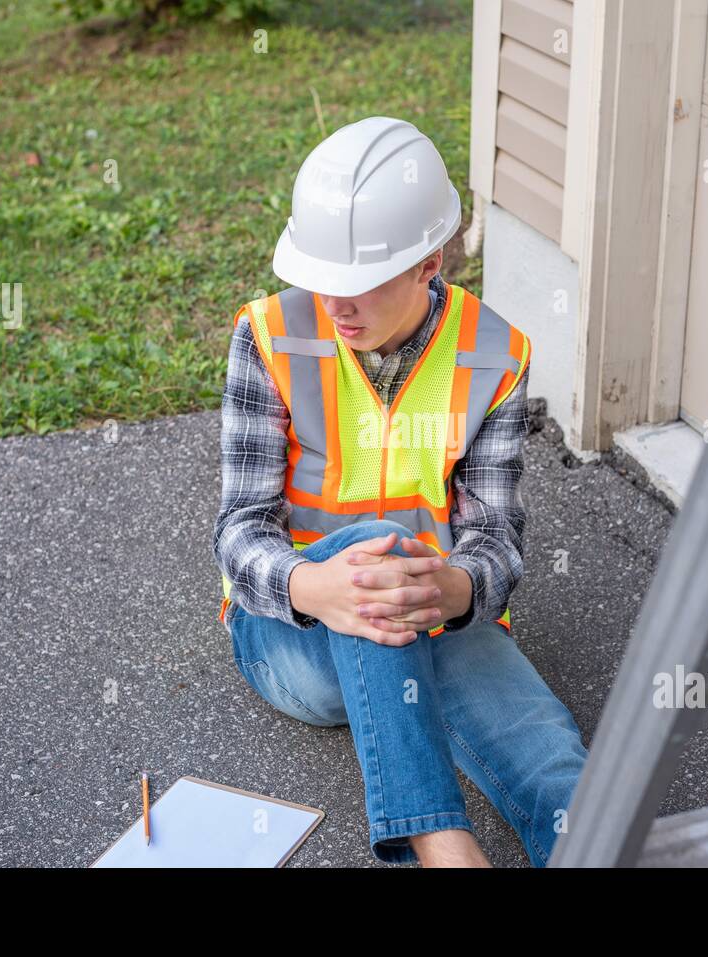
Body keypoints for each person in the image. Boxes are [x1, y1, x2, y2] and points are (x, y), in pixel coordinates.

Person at [212, 115, 587, 867]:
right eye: (320, 277)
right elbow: (240, 530)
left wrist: (450, 587)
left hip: (438, 616)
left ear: (430, 263)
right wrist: (317, 582)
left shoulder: (493, 354)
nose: (334, 303)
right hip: (293, 633)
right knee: (364, 557)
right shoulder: (269, 335)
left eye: (359, 282)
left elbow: (496, 545)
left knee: (558, 775)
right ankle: (439, 841)